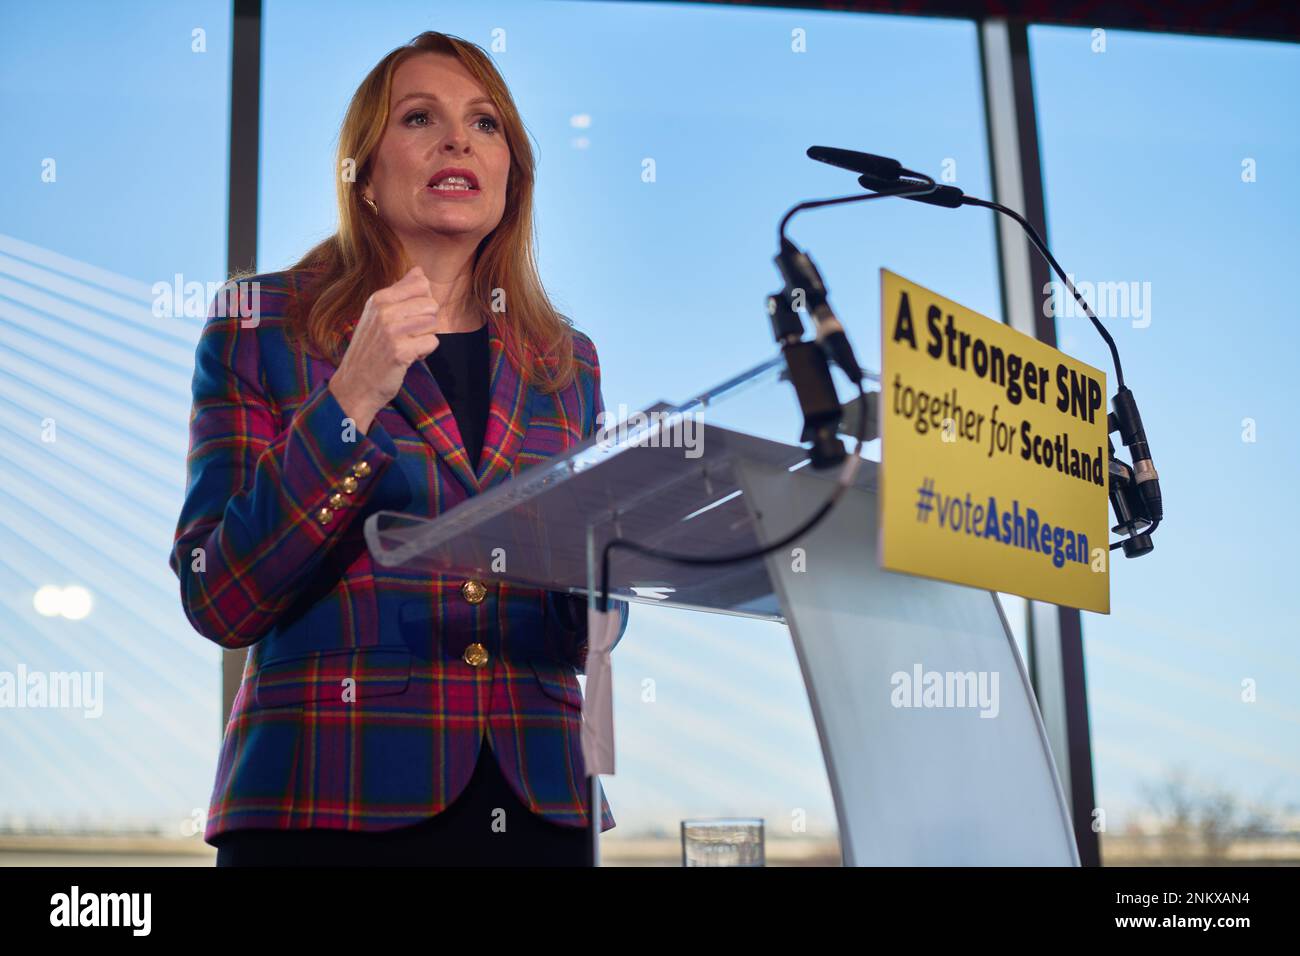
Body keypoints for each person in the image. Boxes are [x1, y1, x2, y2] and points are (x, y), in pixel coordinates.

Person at [169, 30, 629, 866]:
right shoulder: (261, 322)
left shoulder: (568, 361)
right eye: (421, 117)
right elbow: (221, 596)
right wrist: (350, 398)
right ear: (365, 174)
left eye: (485, 124)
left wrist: (613, 573)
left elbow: (578, 630)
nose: (459, 139)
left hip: (540, 802)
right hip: (327, 797)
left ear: (510, 176)